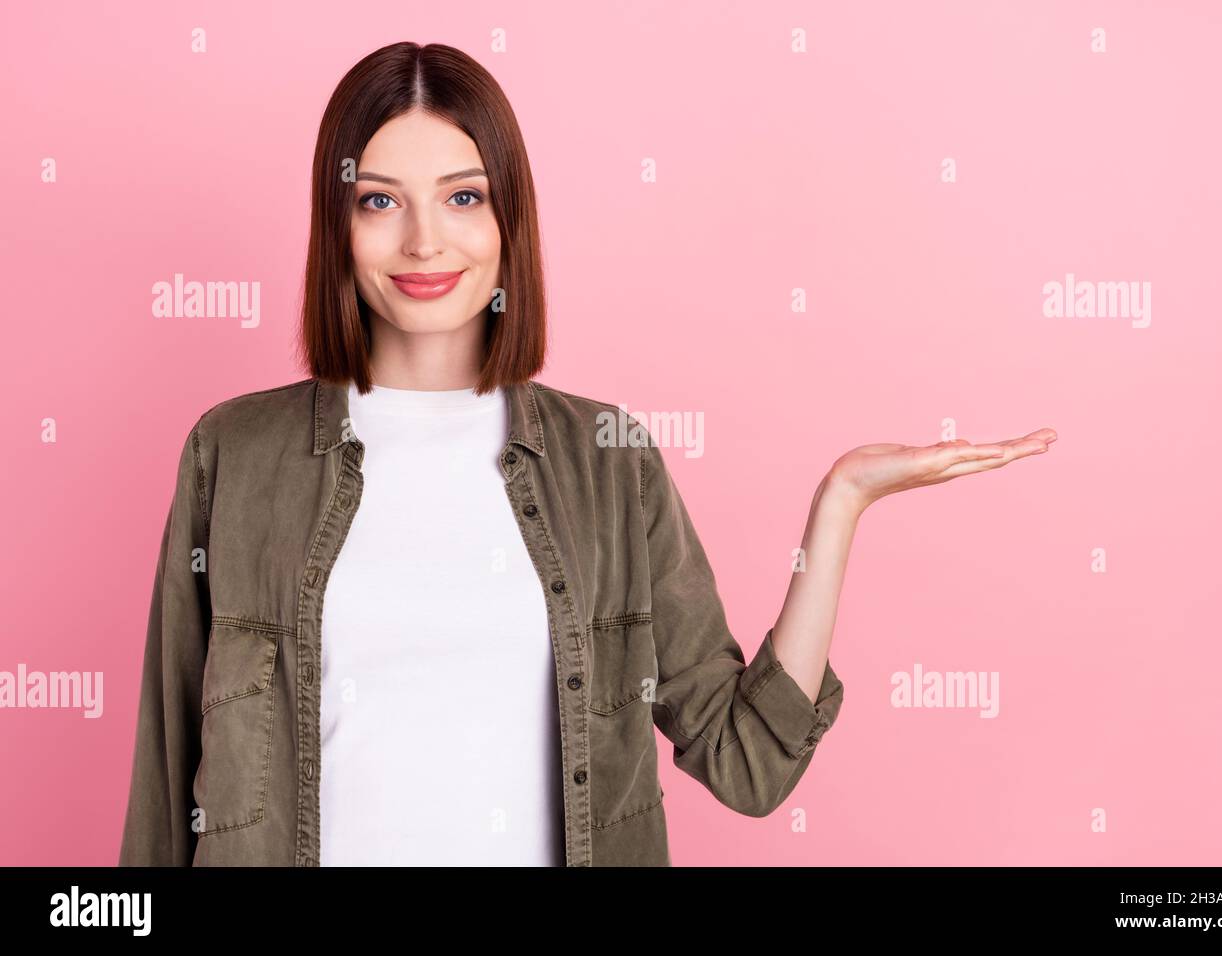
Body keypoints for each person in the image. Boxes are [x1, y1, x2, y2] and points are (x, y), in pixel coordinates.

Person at [118, 41, 1056, 868]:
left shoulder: (610, 462)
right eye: (379, 200)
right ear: (340, 224)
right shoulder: (233, 453)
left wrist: (842, 502)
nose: (424, 240)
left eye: (463, 196)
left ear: (509, 219)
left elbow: (748, 760)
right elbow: (166, 790)